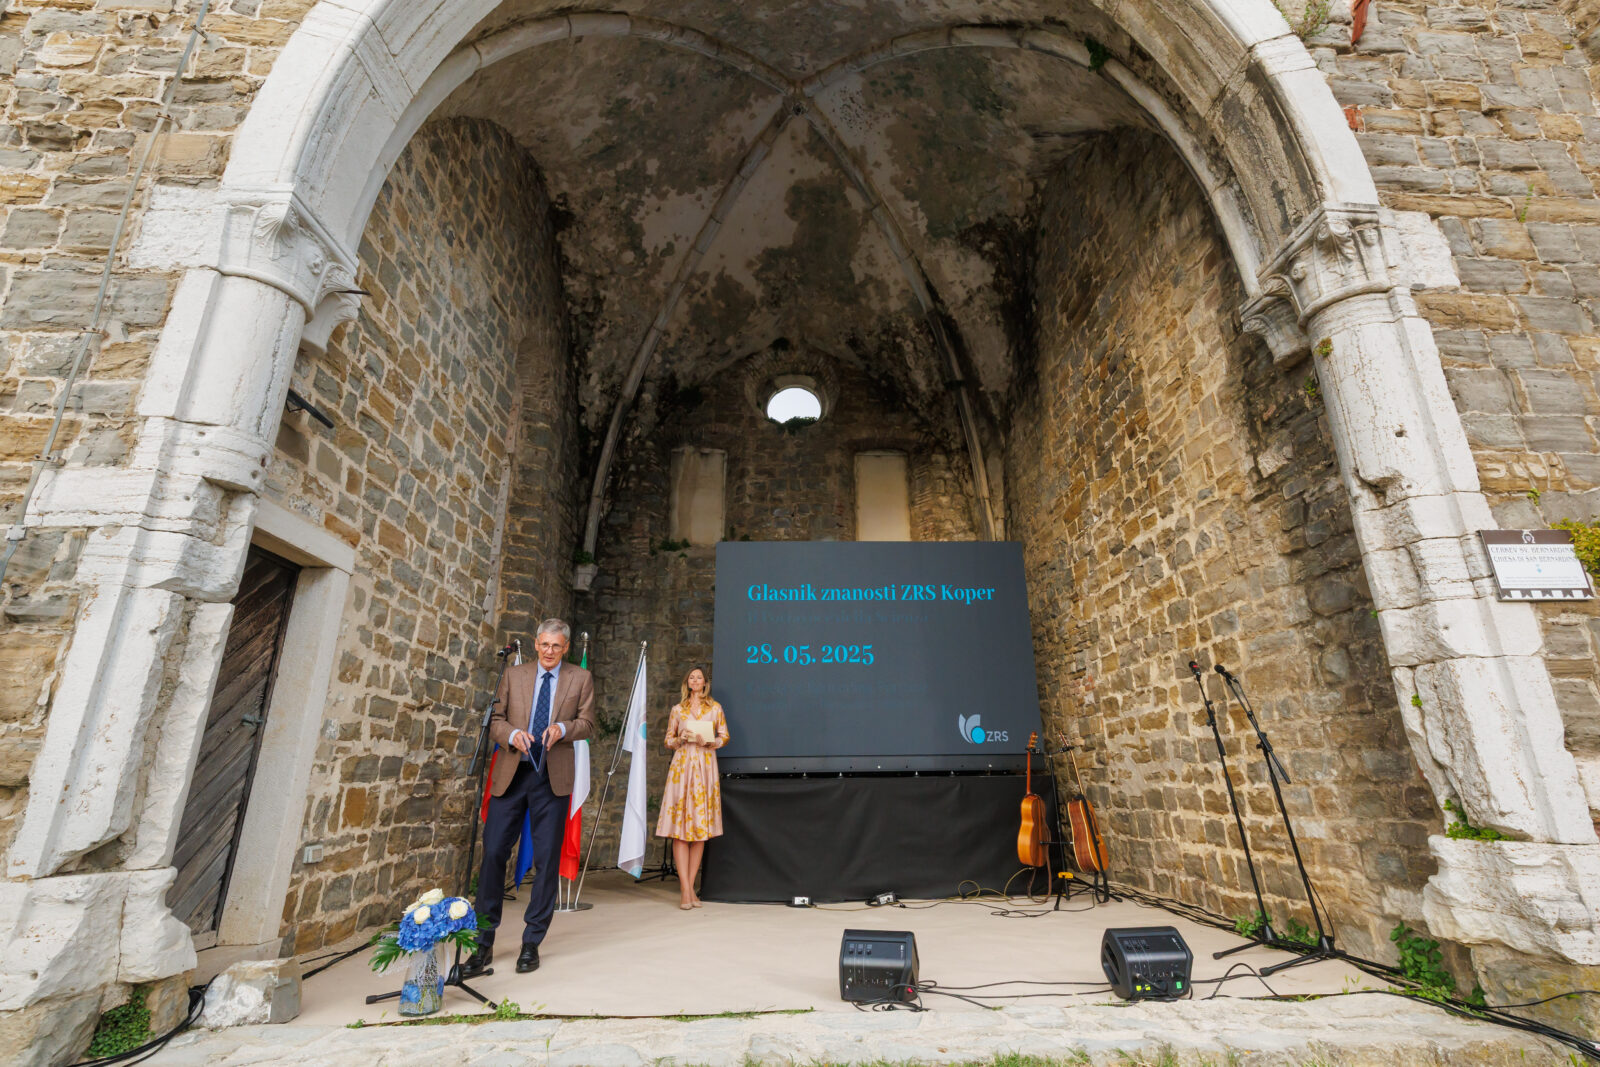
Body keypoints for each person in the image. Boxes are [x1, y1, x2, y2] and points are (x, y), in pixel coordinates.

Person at [462, 619, 595, 977]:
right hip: (512, 774)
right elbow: (496, 721)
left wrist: (562, 729)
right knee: (492, 853)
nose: (549, 651)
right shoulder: (514, 674)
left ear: (565, 648)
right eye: (544, 645)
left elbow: (587, 723)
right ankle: (482, 944)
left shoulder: (579, 679)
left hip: (551, 779)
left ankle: (531, 942)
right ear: (536, 645)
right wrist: (513, 735)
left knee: (547, 860)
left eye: (556, 646)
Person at [656, 666, 728, 909]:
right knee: (680, 829)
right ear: (686, 682)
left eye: (699, 677)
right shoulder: (678, 709)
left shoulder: (715, 708)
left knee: (699, 831)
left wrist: (710, 741)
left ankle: (691, 891)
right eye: (691, 677)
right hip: (683, 767)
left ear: (705, 682)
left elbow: (724, 736)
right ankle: (686, 891)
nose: (695, 680)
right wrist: (680, 738)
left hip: (705, 767)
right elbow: (668, 740)